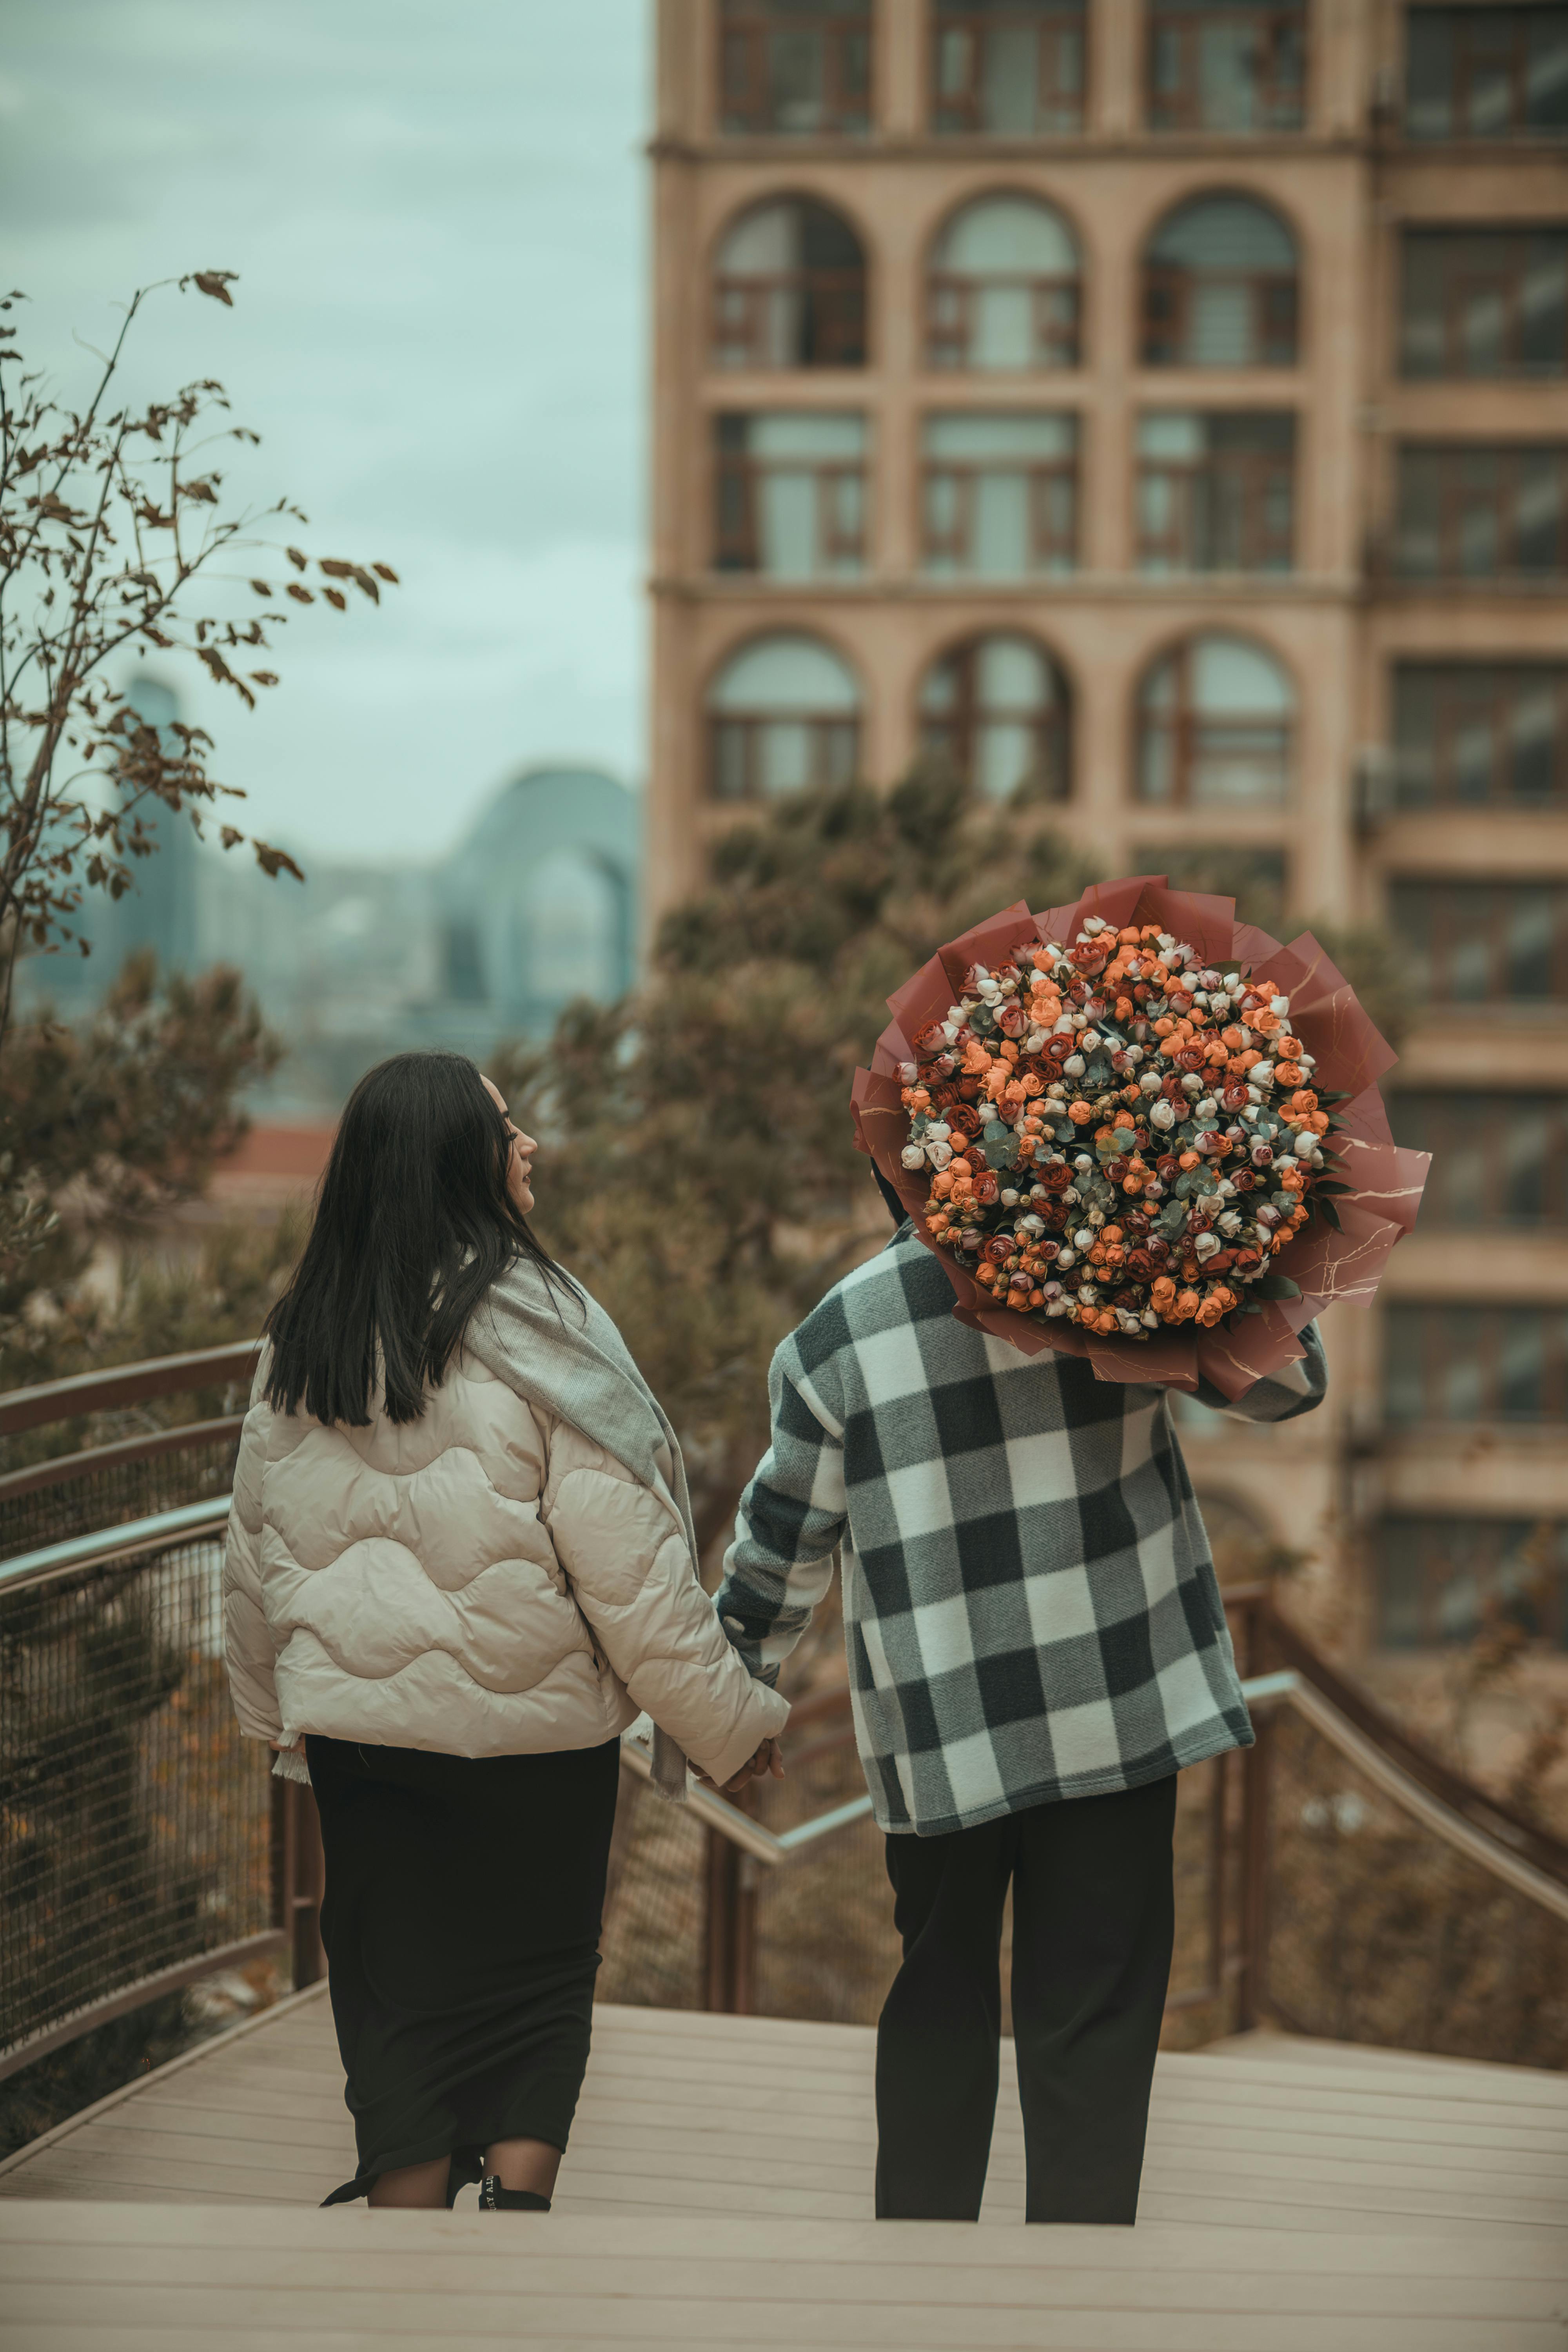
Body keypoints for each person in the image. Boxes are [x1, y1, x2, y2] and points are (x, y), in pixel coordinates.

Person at [223, 1051, 786, 2213]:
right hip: (538, 1744)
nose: (527, 1143)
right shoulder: (548, 1322)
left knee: (393, 1999)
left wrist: (272, 1712)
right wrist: (728, 1727)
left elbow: (252, 1544)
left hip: (365, 1744)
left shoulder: (305, 1332)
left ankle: (407, 2238)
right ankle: (517, 2225)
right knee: (539, 1989)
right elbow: (629, 1572)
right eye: (505, 1126)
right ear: (453, 1158)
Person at [714, 1165, 1325, 2227]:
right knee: (1096, 2010)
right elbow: (1290, 1386)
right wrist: (1205, 1233)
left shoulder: (837, 1334)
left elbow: (781, 1543)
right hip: (1115, 1711)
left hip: (943, 1732)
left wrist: (734, 1700)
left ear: (888, 1166)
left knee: (939, 1991)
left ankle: (922, 2263)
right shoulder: (1111, 1268)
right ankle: (1075, 2281)